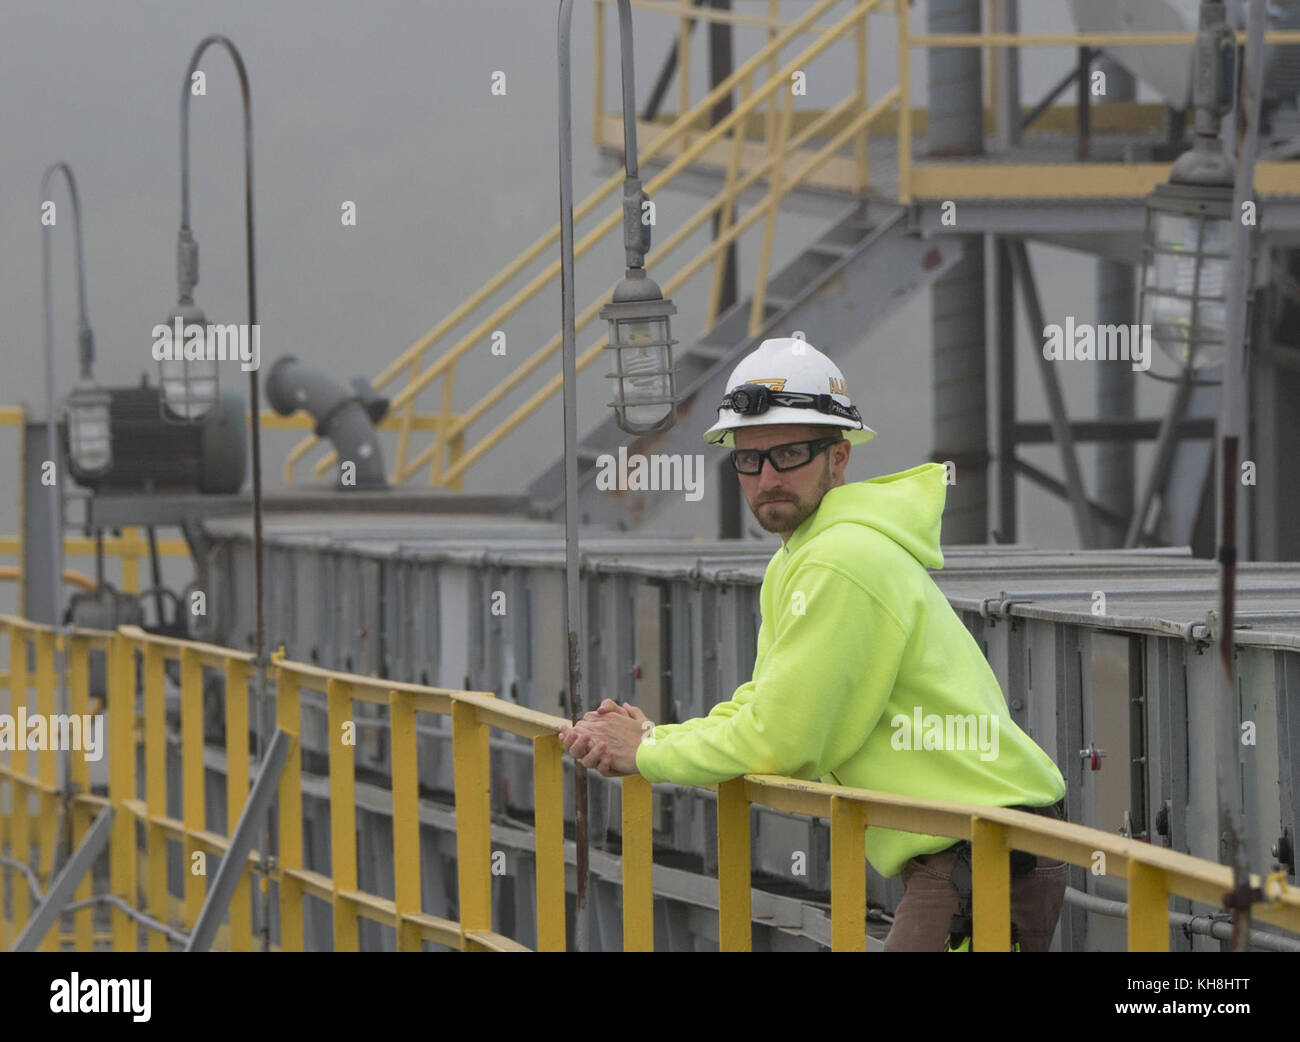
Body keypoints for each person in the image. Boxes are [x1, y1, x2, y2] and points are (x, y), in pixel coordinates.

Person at [560, 336, 1068, 951]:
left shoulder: (840, 560)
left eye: (790, 454)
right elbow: (766, 703)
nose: (767, 477)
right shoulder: (805, 555)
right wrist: (657, 738)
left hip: (985, 851)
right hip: (973, 846)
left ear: (839, 457)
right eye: (750, 460)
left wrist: (647, 754)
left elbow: (786, 739)